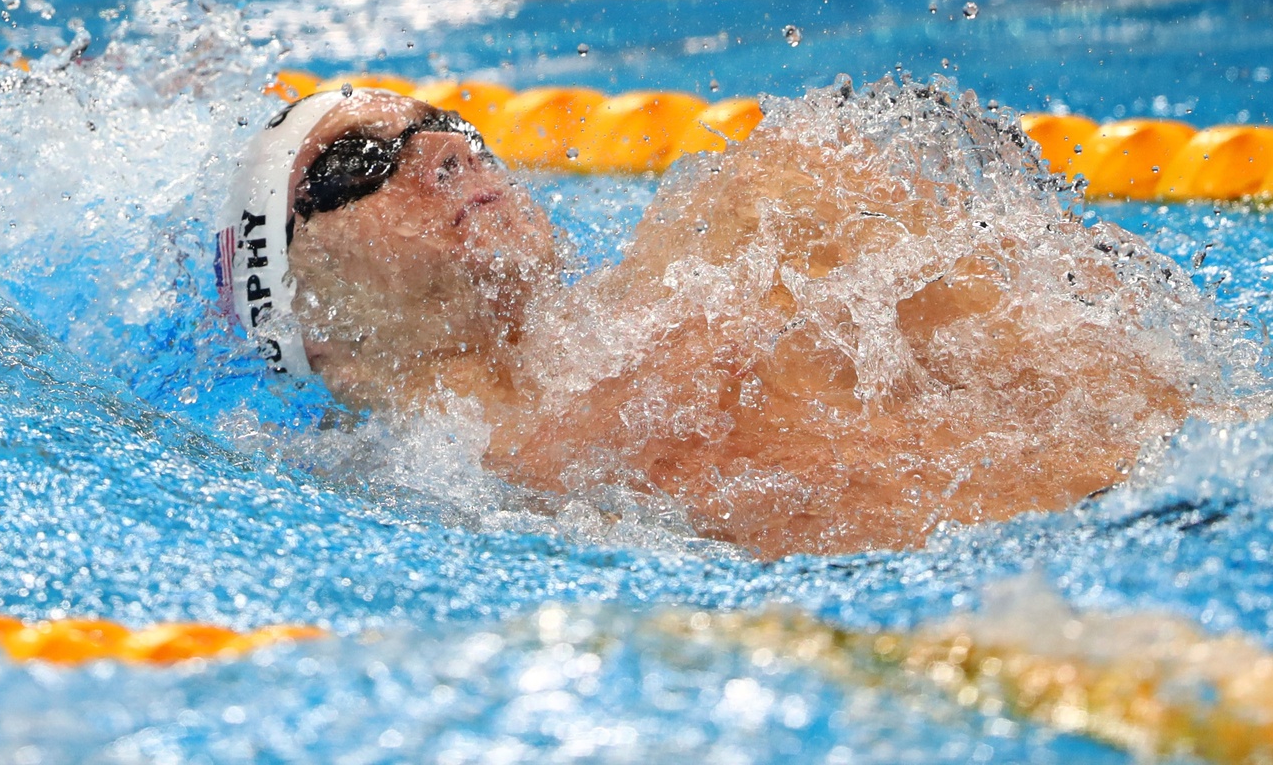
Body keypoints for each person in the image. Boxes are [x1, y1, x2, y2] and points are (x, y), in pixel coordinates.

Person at [219, 86, 1202, 559]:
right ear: (314, 322)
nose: (442, 147)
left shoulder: (728, 244)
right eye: (357, 166)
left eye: (448, 124)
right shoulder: (476, 474)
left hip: (1185, 479)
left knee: (778, 185)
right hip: (1132, 549)